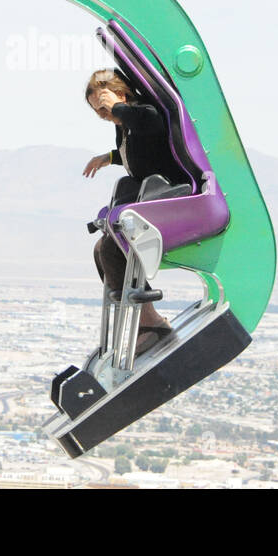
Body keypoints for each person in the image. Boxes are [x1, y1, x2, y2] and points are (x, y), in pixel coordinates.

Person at [82, 69, 191, 355]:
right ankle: (146, 322)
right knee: (102, 250)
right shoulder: (126, 123)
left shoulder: (145, 111)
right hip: (148, 200)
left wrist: (117, 107)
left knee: (111, 249)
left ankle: (152, 325)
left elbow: (151, 125)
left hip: (171, 199)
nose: (103, 115)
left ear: (122, 95)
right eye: (98, 112)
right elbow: (138, 150)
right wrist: (109, 157)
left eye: (103, 108)